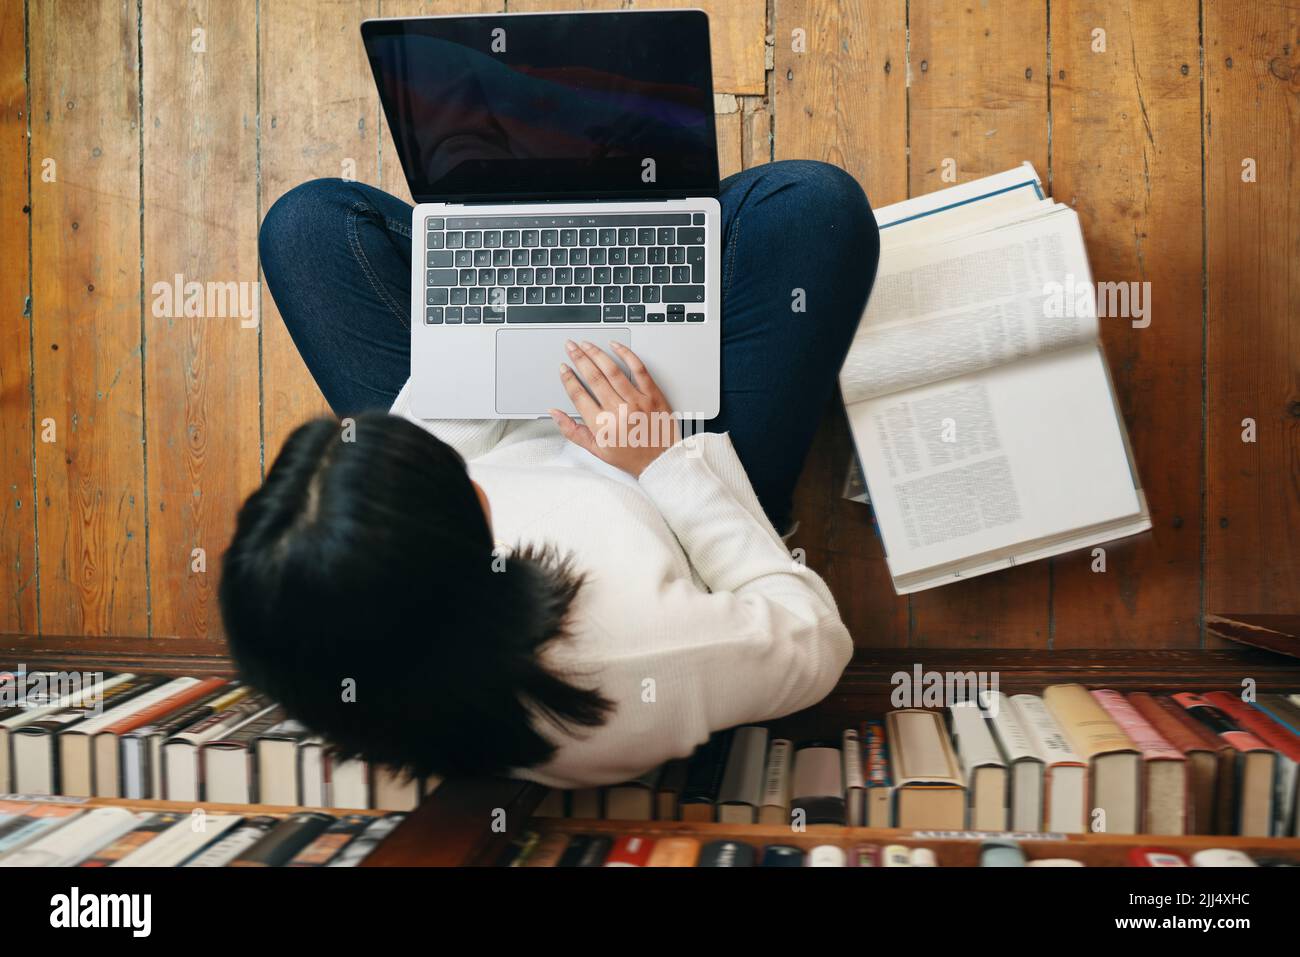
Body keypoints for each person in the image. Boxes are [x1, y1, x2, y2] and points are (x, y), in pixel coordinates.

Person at [220, 160, 880, 788]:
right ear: (463, 537)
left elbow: (445, 445)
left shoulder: (343, 646)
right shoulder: (645, 653)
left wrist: (503, 333)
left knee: (305, 225)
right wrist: (662, 458)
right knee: (816, 210)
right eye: (447, 479)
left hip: (516, 432)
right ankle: (615, 225)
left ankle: (572, 240)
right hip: (662, 471)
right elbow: (816, 640)